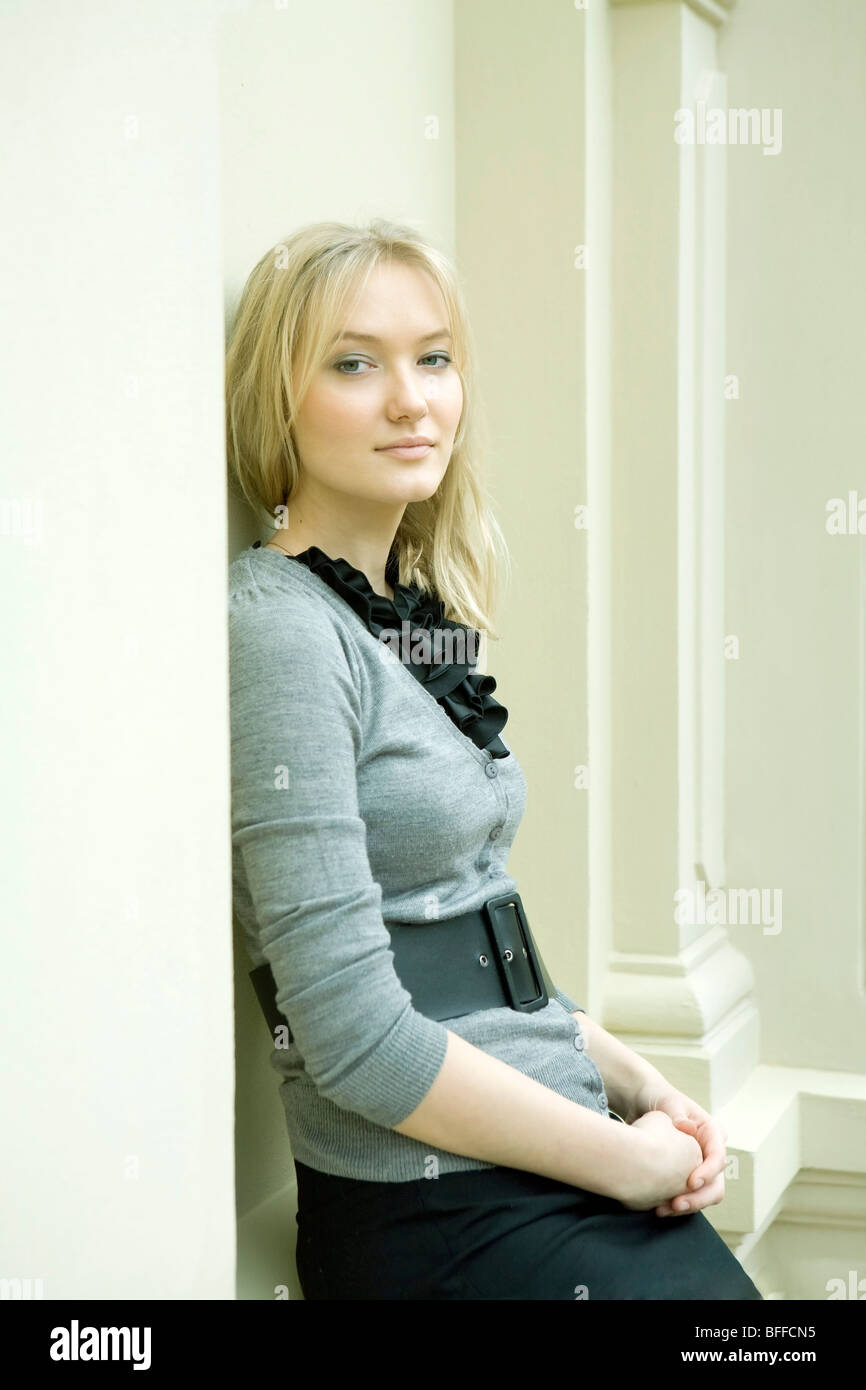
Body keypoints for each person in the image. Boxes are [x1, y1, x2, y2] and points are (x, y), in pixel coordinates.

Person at [226, 217, 763, 1301]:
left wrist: (638, 1082)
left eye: (432, 357)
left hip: (540, 1156)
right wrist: (619, 1157)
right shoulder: (279, 630)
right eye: (351, 363)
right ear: (274, 400)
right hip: (432, 1210)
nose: (409, 399)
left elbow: (471, 926)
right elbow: (353, 1035)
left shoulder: (402, 617)